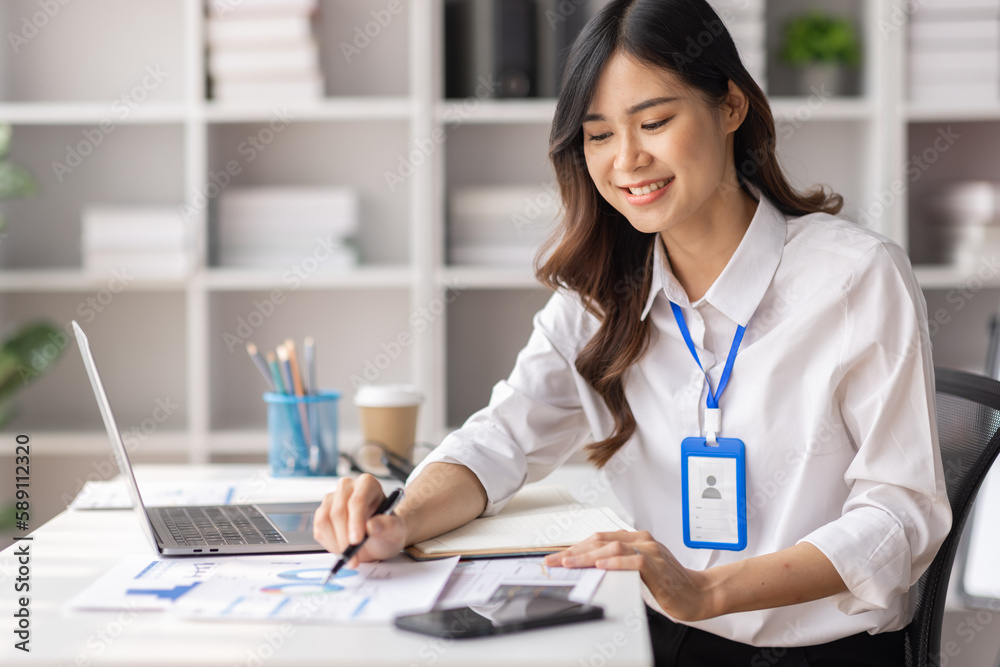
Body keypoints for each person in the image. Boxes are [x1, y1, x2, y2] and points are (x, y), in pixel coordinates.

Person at [314, 1, 951, 664]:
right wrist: (397, 520)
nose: (627, 160)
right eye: (598, 136)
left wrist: (707, 590)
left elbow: (900, 515)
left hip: (820, 653)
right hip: (657, 637)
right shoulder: (601, 293)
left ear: (731, 106)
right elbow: (499, 440)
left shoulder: (854, 276)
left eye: (654, 122)